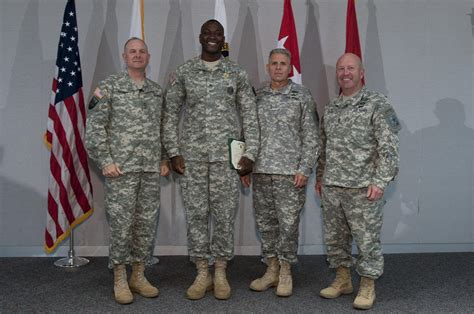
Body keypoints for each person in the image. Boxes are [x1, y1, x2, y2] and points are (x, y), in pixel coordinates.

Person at [162, 19, 259, 300]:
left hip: (226, 160)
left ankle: (220, 272)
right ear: (201, 37)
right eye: (208, 33)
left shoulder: (236, 73)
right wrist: (173, 150)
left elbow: (250, 116)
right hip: (190, 159)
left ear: (223, 38)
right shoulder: (184, 72)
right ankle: (201, 271)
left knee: (225, 216)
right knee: (196, 215)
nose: (212, 38)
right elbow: (169, 114)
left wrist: (250, 153)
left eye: (218, 34)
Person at [315, 53, 400, 310]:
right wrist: (320, 178)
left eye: (350, 68)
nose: (345, 72)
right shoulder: (331, 108)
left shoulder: (377, 104)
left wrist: (381, 180)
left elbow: (389, 148)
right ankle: (343, 280)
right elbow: (324, 147)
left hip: (364, 188)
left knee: (366, 240)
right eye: (341, 69)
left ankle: (367, 284)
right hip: (333, 187)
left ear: (361, 72)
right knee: (335, 239)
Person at [86, 37, 166, 304]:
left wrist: (164, 158)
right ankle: (120, 276)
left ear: (148, 57)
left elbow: (163, 129)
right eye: (132, 51)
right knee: (121, 225)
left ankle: (138, 274)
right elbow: (95, 129)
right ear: (124, 56)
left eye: (142, 51)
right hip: (121, 170)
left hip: (150, 169)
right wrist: (105, 161)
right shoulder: (109, 87)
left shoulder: (156, 91)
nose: (137, 55)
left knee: (145, 225)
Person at [245, 48, 319, 297]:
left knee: (288, 225)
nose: (278, 67)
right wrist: (244, 166)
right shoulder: (258, 96)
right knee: (266, 224)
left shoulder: (302, 96)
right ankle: (272, 268)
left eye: (283, 64)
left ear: (290, 68)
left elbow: (312, 136)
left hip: (290, 173)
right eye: (274, 63)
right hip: (261, 171)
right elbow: (248, 133)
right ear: (268, 67)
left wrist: (305, 168)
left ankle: (286, 270)